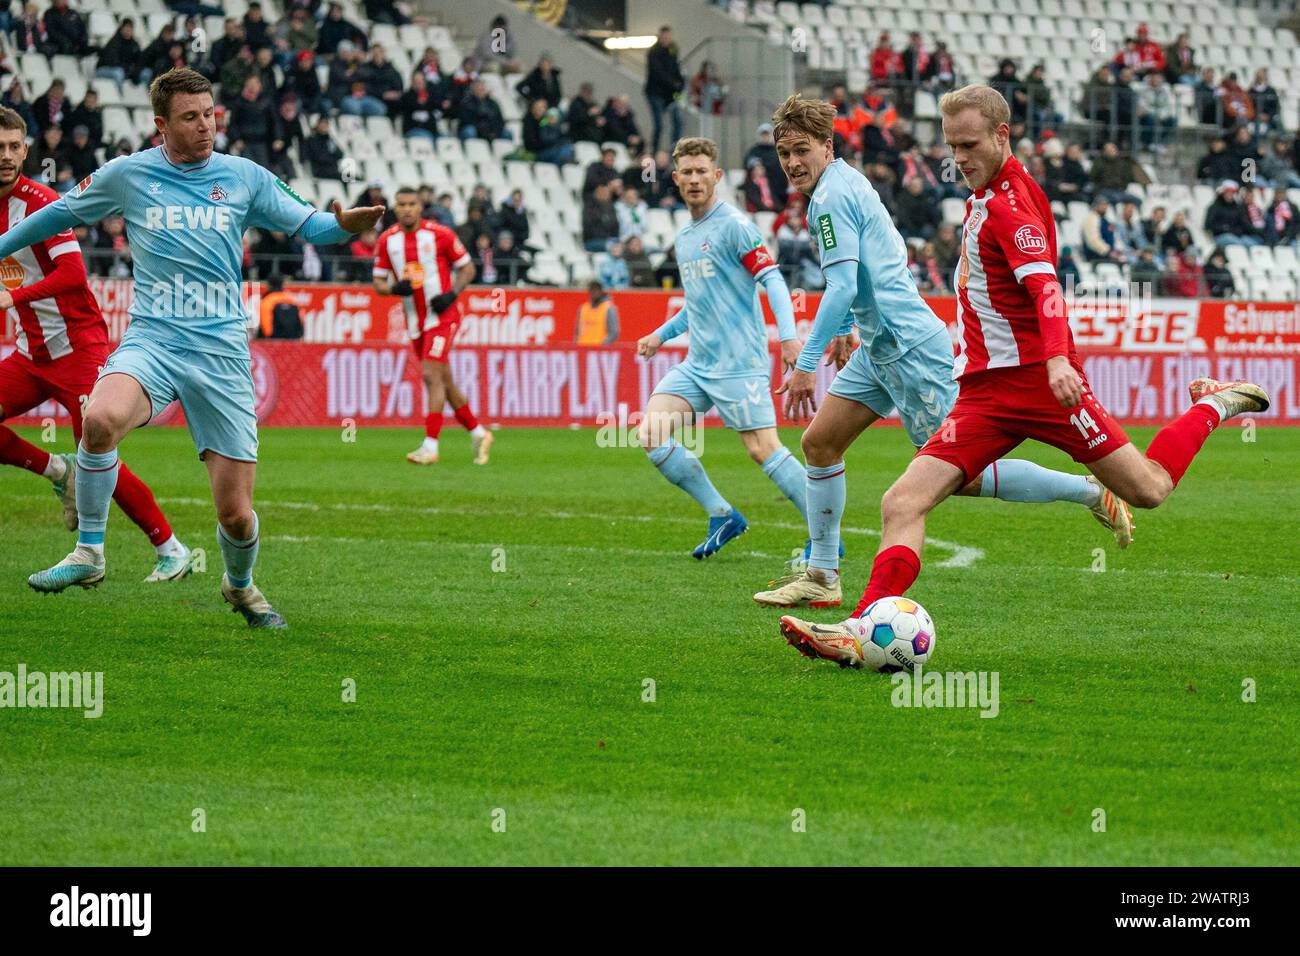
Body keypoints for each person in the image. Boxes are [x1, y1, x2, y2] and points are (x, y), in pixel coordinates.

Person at [776, 85, 1269, 665]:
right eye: (952, 146)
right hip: (984, 392)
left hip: (1042, 385)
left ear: (1002, 135)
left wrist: (1057, 358)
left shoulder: (1009, 206)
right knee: (902, 501)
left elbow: (1046, 288)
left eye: (970, 145)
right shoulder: (984, 195)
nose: (959, 158)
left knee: (1150, 488)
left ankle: (1212, 405)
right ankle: (859, 629)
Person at [0, 69, 385, 626]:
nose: (205, 126)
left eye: (209, 114)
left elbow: (312, 225)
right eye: (191, 117)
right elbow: (57, 213)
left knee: (236, 516)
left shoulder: (244, 177)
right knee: (99, 420)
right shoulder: (130, 175)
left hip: (222, 353)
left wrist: (344, 223)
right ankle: (89, 552)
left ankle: (241, 585)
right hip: (153, 340)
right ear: (162, 125)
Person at [751, 92, 1128, 612]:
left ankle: (1089, 491)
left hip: (908, 346)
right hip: (880, 343)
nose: (792, 163)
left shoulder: (831, 198)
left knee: (959, 478)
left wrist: (806, 363)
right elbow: (866, 272)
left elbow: (840, 287)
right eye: (783, 153)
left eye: (801, 150)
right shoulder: (841, 185)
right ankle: (821, 575)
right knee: (820, 443)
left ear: (826, 145)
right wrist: (846, 327)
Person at [0, 106, 194, 583]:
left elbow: (72, 273)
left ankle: (171, 548)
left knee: (97, 447)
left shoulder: (42, 204)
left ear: (26, 150)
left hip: (79, 350)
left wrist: (14, 297)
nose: (5, 156)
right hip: (32, 354)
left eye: (12, 147)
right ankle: (55, 471)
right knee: (81, 462)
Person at [634, 136, 804, 559]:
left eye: (701, 172)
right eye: (686, 172)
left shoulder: (735, 226)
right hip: (699, 365)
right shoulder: (685, 238)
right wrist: (660, 334)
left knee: (762, 449)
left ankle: (825, 538)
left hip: (739, 364)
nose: (694, 179)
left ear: (717, 176)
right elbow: (696, 305)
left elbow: (773, 280)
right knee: (651, 433)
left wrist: (787, 337)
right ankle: (722, 513)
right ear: (675, 179)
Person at [371, 186, 491, 467]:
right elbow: (377, 283)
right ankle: (479, 433)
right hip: (416, 322)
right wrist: (392, 289)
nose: (407, 209)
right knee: (444, 382)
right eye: (401, 204)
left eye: (412, 203)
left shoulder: (440, 234)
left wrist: (452, 294)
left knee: (429, 374)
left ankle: (430, 445)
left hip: (443, 317)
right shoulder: (388, 240)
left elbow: (468, 267)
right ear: (395, 208)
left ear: (420, 207)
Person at [645, 26, 684, 153]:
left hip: (671, 94)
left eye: (668, 37)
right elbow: (658, 73)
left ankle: (675, 149)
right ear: (660, 37)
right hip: (656, 93)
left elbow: (676, 68)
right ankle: (654, 150)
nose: (667, 39)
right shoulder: (654, 52)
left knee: (678, 119)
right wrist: (673, 83)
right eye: (664, 37)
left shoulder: (673, 50)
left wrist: (680, 83)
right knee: (659, 125)